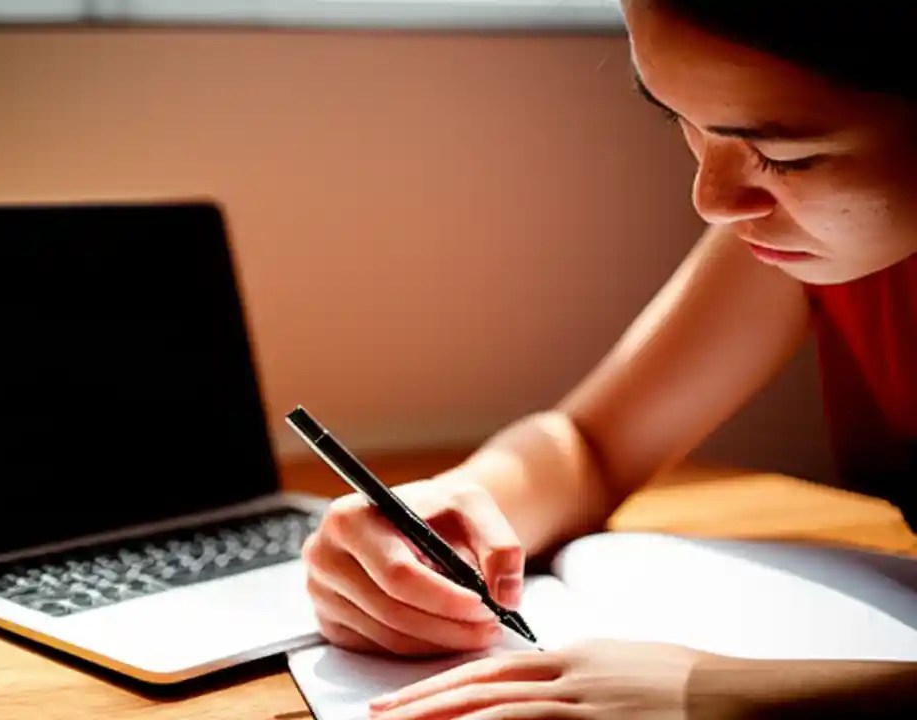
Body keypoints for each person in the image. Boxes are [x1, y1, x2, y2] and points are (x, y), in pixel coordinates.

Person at [301, 2, 917, 718]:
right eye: (678, 119)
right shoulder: (807, 247)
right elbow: (592, 446)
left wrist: (718, 695)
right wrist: (458, 512)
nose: (711, 200)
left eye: (786, 157)